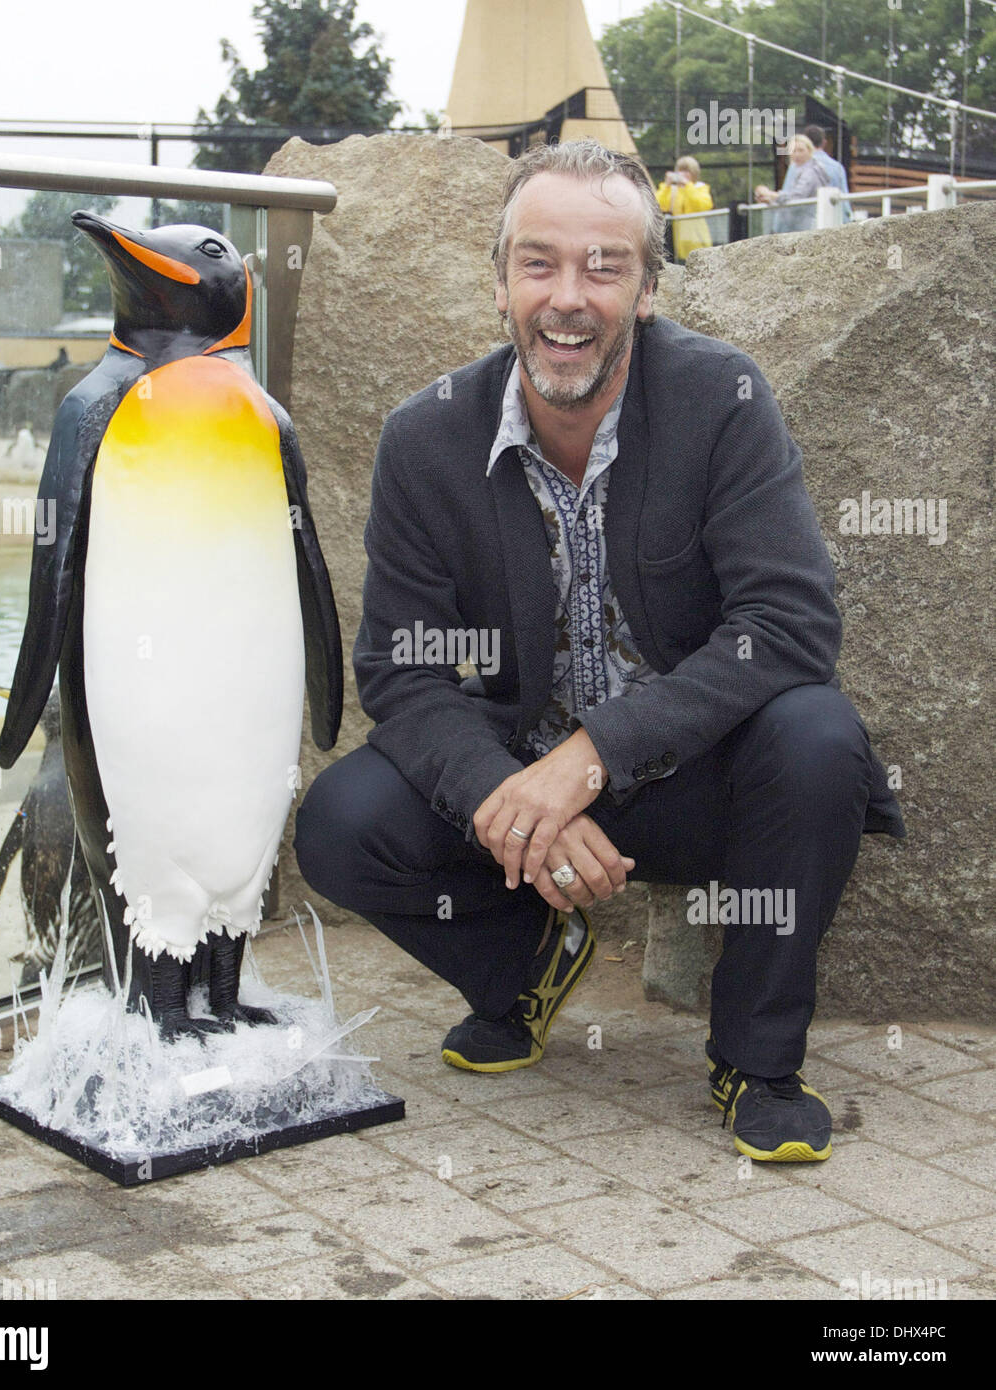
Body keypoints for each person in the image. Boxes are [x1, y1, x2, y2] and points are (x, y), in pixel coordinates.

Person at [295, 139, 905, 1164]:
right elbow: (402, 668)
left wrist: (586, 763)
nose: (566, 297)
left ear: (648, 291)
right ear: (498, 284)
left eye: (603, 266)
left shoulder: (722, 401)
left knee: (817, 736)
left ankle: (755, 1059)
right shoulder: (423, 439)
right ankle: (524, 964)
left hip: (692, 785)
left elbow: (788, 623)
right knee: (341, 822)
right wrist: (510, 796)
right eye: (537, 263)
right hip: (524, 788)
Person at [755, 134, 830, 233]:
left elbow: (797, 196)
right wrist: (769, 200)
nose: (797, 154)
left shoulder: (810, 171)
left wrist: (771, 195)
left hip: (807, 227)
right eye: (793, 151)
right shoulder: (798, 170)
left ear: (810, 150)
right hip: (797, 226)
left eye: (801, 150)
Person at [654, 155, 713, 262]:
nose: (683, 174)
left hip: (698, 241)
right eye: (680, 171)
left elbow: (702, 205)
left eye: (687, 171)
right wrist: (666, 186)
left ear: (694, 173)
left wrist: (687, 185)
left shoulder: (700, 187)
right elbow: (658, 204)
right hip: (679, 244)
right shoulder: (674, 190)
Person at [805, 123, 852, 223]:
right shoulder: (837, 168)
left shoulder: (798, 166)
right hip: (832, 222)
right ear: (824, 143)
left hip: (805, 224)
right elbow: (844, 201)